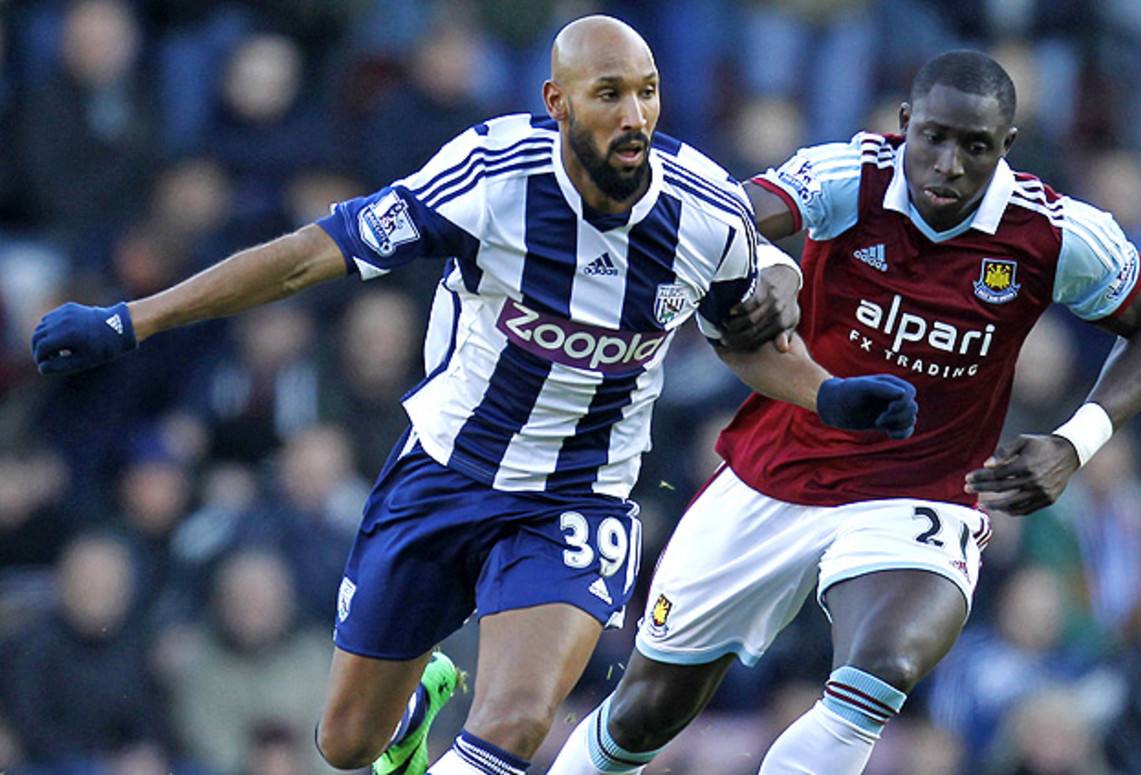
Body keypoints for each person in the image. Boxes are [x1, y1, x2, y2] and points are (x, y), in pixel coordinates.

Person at [29, 15, 919, 775]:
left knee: (516, 723)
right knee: (345, 744)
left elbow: (749, 345)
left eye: (648, 91)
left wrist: (829, 396)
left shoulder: (706, 216)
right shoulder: (490, 176)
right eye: (608, 93)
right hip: (446, 469)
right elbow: (307, 254)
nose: (635, 115)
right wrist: (131, 319)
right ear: (556, 102)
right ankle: (417, 708)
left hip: (581, 493)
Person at [547, 49, 1141, 775]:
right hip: (774, 473)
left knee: (886, 664)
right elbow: (722, 218)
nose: (948, 164)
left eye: (975, 147)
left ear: (1005, 146)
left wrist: (1076, 443)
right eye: (935, 137)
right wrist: (778, 268)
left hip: (920, 493)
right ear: (905, 123)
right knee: (645, 710)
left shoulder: (1055, 232)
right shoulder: (847, 177)